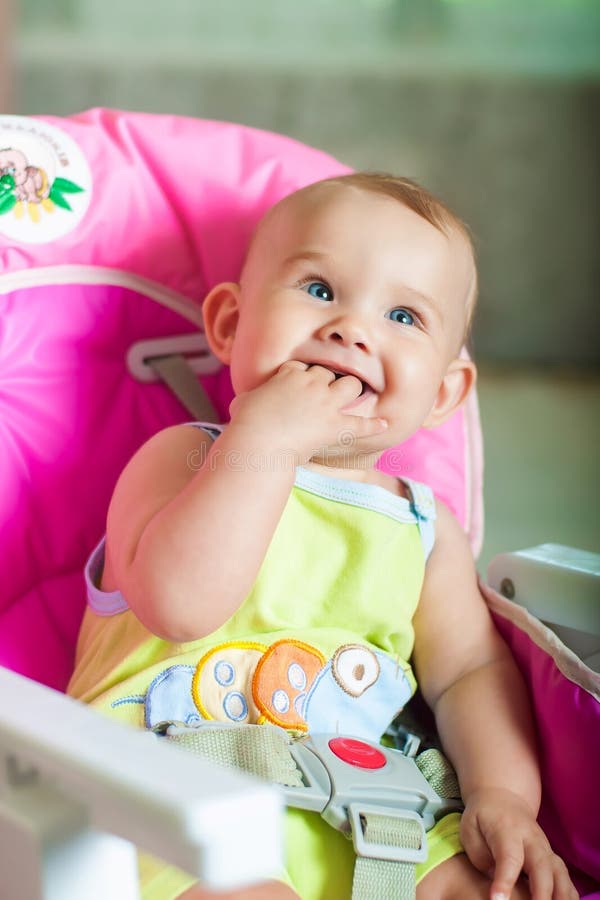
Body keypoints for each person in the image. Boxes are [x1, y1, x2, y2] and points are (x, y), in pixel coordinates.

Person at [68, 173, 576, 900]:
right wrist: (265, 438)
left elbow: (469, 674)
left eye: (404, 315)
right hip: (171, 800)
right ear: (230, 326)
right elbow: (180, 605)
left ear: (442, 393)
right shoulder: (182, 459)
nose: (352, 328)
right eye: (318, 289)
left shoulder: (425, 529)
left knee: (496, 887)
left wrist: (504, 799)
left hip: (379, 808)